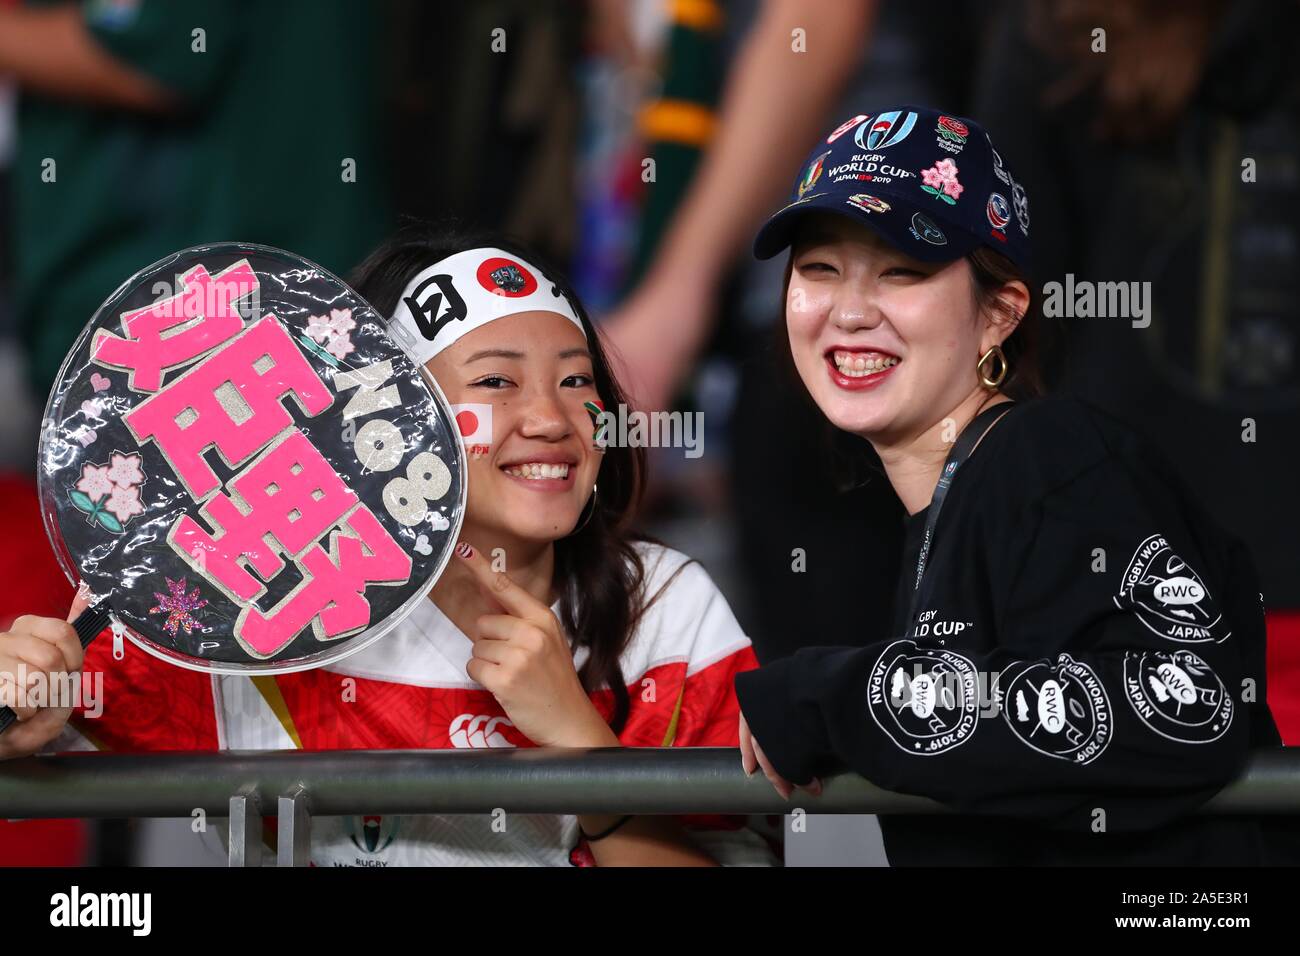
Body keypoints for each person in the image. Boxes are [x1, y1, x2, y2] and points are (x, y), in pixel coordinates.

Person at [1, 224, 771, 867]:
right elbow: (33, 727)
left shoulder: (668, 612)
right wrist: (26, 697)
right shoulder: (257, 608)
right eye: (497, 384)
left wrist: (577, 745)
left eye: (577, 382)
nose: (549, 418)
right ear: (386, 419)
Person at [732, 106, 1289, 865]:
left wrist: (831, 695)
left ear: (999, 313)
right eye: (819, 269)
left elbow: (1183, 707)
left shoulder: (1049, 456)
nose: (851, 311)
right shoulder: (953, 502)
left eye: (903, 270)